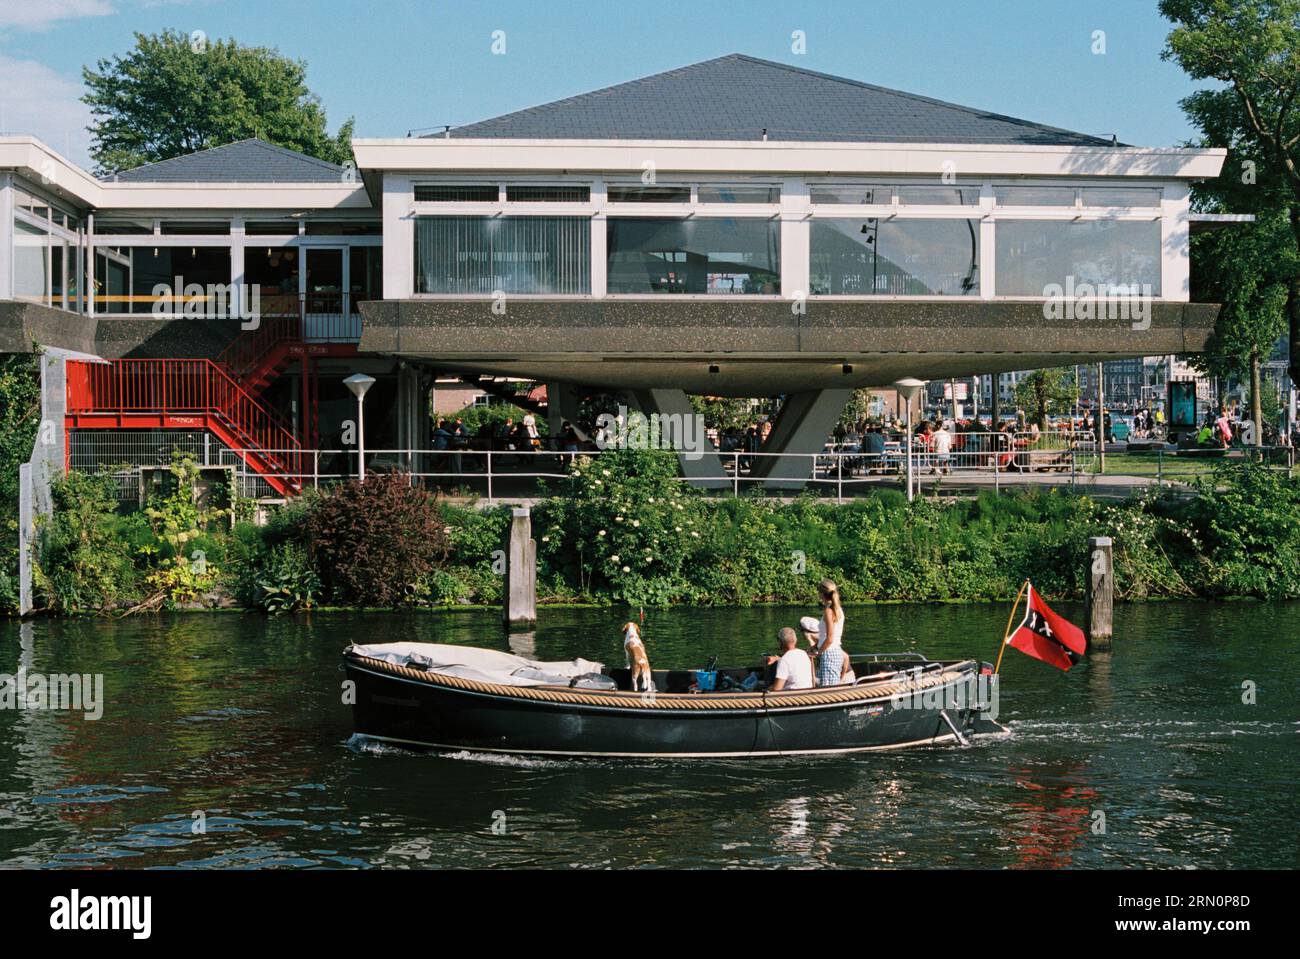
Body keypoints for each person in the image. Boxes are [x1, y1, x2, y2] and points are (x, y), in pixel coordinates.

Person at [813, 579, 846, 686]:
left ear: (821, 594)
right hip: (835, 651)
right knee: (830, 686)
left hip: (829, 653)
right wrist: (815, 646)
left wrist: (818, 652)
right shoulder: (837, 609)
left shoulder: (829, 611)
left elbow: (830, 638)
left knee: (827, 689)